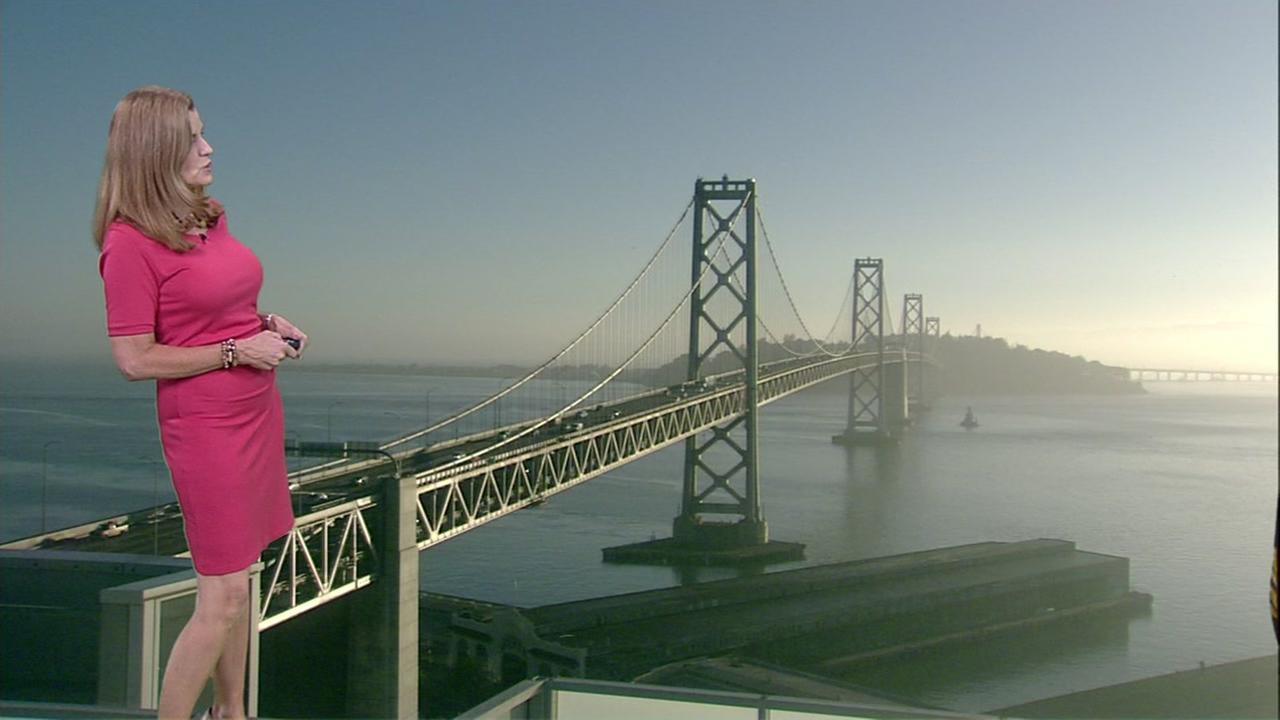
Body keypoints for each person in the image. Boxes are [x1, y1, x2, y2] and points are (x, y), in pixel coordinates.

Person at [94, 85, 307, 720]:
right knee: (223, 596)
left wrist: (266, 325)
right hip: (207, 427)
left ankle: (231, 712)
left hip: (256, 413)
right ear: (155, 152)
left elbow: (213, 311)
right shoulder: (129, 243)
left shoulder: (207, 220)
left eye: (203, 132)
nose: (209, 147)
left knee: (241, 578)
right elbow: (135, 359)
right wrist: (239, 350)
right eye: (192, 138)